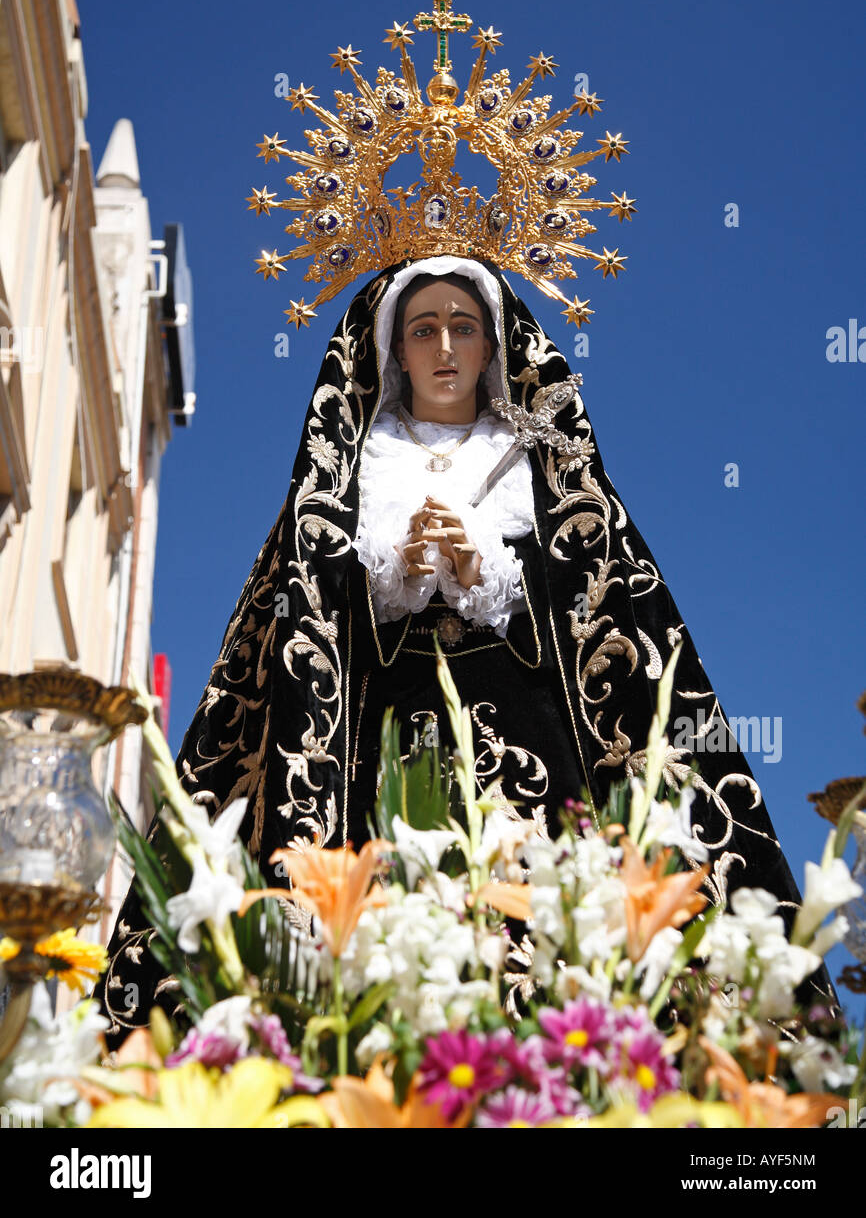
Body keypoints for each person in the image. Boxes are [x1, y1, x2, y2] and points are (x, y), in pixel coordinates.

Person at [97, 252, 837, 1037]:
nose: (444, 348)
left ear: (492, 346)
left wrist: (487, 575)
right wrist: (386, 579)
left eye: (463, 327)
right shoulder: (343, 480)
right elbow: (295, 632)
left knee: (543, 954)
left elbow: (612, 621)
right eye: (423, 330)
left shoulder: (545, 471)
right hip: (373, 757)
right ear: (393, 350)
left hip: (537, 762)